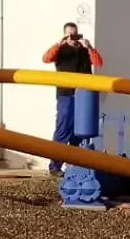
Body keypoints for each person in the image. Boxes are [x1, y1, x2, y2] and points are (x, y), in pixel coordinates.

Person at [41, 22, 103, 174]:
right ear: (64, 35)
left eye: (75, 34)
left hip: (84, 95)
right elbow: (46, 58)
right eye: (69, 35)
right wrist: (58, 44)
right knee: (63, 129)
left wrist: (90, 47)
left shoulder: (84, 50)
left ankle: (76, 166)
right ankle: (55, 166)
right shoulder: (60, 50)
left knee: (80, 131)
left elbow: (98, 63)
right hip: (66, 94)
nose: (72, 38)